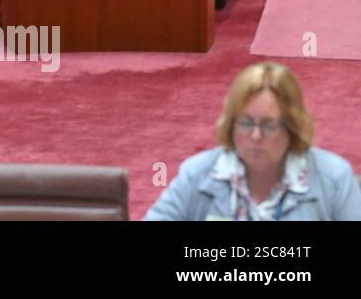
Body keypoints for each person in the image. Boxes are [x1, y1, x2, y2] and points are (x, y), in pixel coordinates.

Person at [145, 62, 361, 221]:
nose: (255, 136)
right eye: (246, 123)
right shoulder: (197, 174)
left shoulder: (333, 178)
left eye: (269, 125)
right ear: (232, 124)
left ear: (292, 126)